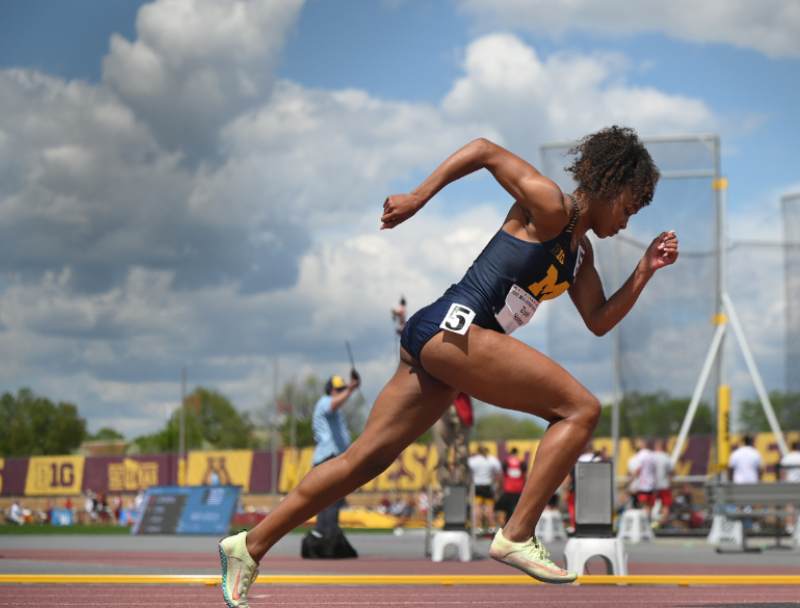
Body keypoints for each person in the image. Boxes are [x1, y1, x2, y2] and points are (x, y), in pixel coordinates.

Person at [217, 126, 672, 599]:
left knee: (360, 461)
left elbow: (598, 320)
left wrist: (644, 270)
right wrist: (417, 198)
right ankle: (516, 535)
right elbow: (483, 150)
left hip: (439, 343)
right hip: (456, 330)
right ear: (610, 184)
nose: (627, 220)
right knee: (580, 410)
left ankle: (248, 547)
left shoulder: (581, 256)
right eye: (629, 206)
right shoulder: (551, 205)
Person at [308, 374, 360, 549]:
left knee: (328, 500)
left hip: (330, 456)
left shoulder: (332, 405)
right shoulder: (325, 401)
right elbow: (334, 403)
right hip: (329, 456)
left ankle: (324, 534)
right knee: (332, 499)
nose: (342, 393)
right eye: (340, 390)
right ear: (331, 390)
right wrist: (351, 389)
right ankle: (328, 534)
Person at [434, 392, 474, 486]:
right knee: (441, 452)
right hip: (440, 403)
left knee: (463, 452)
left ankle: (461, 486)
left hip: (462, 403)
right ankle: (443, 489)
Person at [468, 445, 503, 529]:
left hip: (477, 486)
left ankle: (477, 526)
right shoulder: (492, 460)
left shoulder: (472, 460)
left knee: (477, 507)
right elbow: (499, 474)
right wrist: (498, 486)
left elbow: (467, 473)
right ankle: (491, 526)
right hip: (487, 486)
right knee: (490, 507)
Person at [496, 447, 528, 526]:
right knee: (519, 509)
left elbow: (502, 475)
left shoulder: (506, 462)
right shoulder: (521, 462)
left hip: (508, 489)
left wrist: (500, 487)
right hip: (519, 489)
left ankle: (507, 525)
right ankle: (519, 524)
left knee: (507, 509)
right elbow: (525, 475)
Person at [627, 439, 658, 510]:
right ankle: (649, 520)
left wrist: (630, 483)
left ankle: (645, 520)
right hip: (652, 484)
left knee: (643, 504)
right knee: (649, 505)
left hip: (643, 485)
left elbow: (636, 470)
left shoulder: (640, 455)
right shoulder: (653, 455)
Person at [651, 440, 674, 527]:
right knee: (665, 504)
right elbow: (671, 472)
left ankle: (652, 522)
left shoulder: (652, 457)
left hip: (653, 485)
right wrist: (671, 483)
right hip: (664, 484)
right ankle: (664, 522)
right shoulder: (666, 457)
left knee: (651, 504)